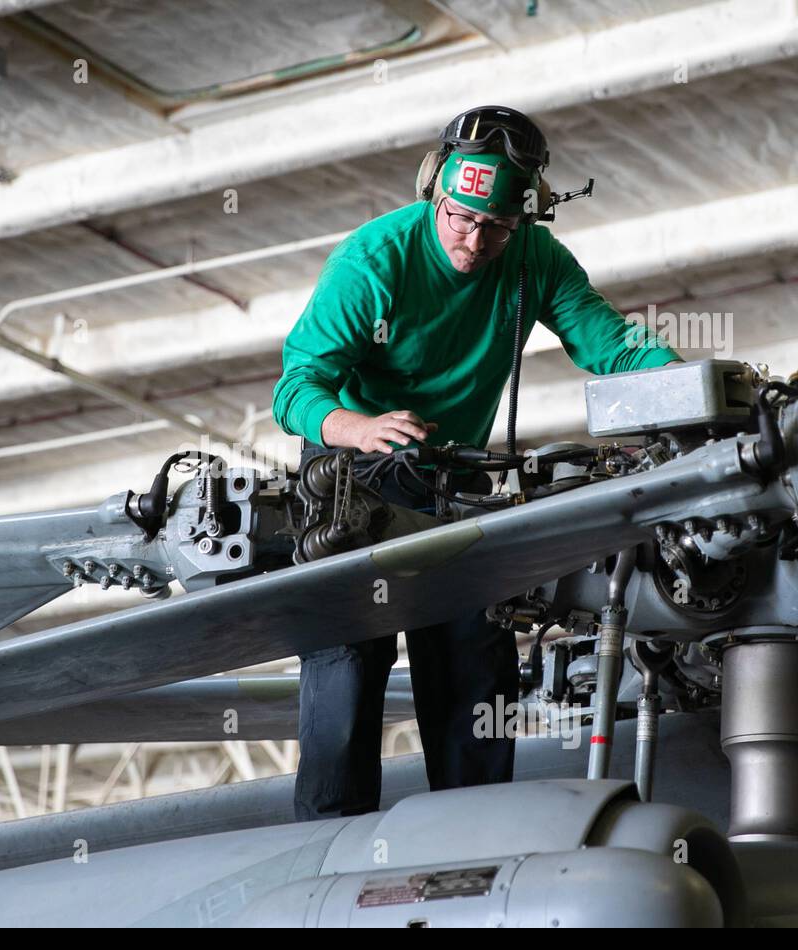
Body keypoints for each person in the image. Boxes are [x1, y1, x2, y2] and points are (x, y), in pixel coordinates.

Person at [271, 106, 680, 821]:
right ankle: (328, 846)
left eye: (495, 226)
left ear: (527, 217)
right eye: (460, 217)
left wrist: (687, 386)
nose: (472, 238)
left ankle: (472, 837)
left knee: (474, 666)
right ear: (436, 190)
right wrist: (357, 427)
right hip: (354, 477)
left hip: (455, 483)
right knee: (349, 664)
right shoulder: (374, 261)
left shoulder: (534, 261)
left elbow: (611, 347)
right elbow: (295, 387)